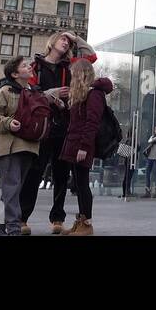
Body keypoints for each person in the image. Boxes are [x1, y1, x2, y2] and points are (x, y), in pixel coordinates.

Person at [20, 31, 97, 235]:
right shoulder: (35, 66)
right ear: (52, 43)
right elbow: (28, 93)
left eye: (67, 41)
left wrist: (75, 38)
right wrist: (49, 94)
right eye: (62, 39)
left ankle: (57, 219)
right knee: (34, 173)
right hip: (42, 128)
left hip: (64, 127)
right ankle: (22, 218)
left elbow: (91, 57)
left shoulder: (69, 65)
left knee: (61, 175)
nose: (65, 42)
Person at [0, 56, 52, 236]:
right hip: (10, 146)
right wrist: (8, 123)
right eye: (24, 66)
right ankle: (13, 228)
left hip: (30, 146)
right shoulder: (6, 91)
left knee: (11, 190)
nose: (29, 67)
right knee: (12, 189)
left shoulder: (36, 92)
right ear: (15, 74)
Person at [59, 59, 111, 236]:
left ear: (82, 73)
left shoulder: (94, 94)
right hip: (74, 143)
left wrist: (84, 147)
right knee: (78, 184)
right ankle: (81, 220)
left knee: (82, 184)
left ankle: (87, 223)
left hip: (82, 145)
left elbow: (92, 123)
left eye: (75, 73)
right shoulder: (83, 93)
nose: (72, 76)